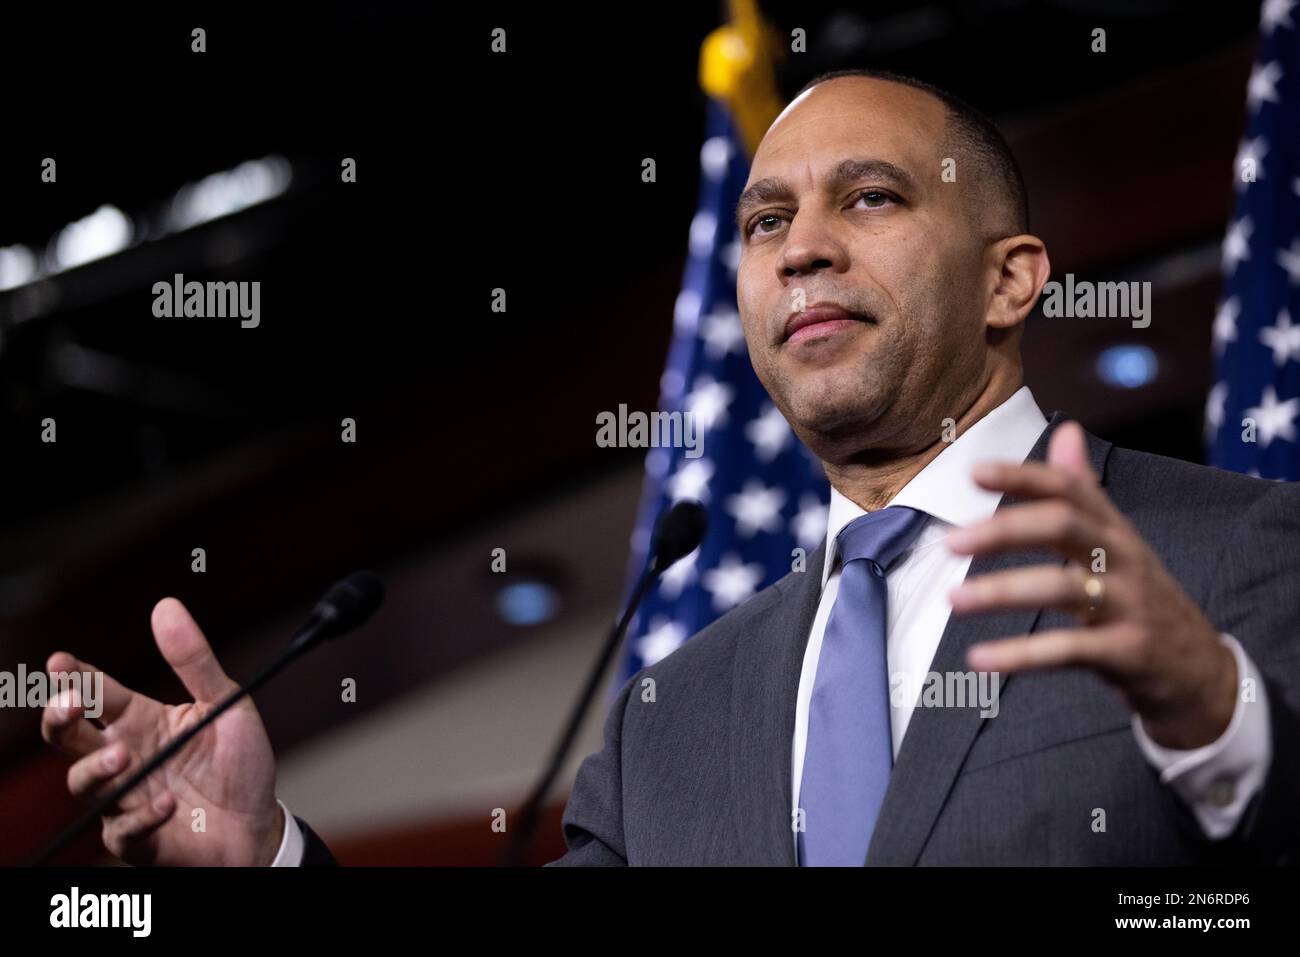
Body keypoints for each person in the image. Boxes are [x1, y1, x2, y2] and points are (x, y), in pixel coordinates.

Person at [41, 70, 1300, 866]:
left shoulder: (1243, 552)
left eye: (867, 200)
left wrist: (1213, 713)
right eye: (765, 222)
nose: (801, 250)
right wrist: (269, 852)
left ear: (1011, 277)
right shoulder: (670, 718)